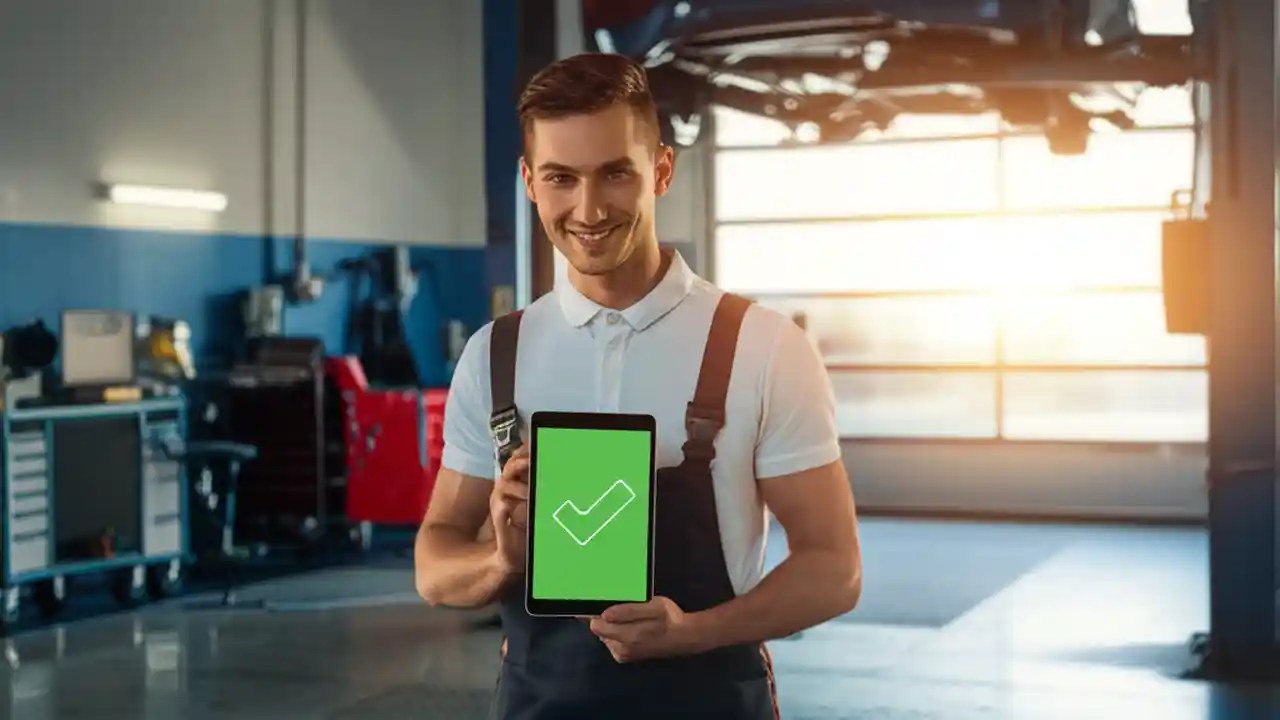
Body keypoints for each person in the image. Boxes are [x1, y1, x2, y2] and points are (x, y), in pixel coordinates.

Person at [414, 52, 862, 719]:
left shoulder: (761, 347)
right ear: (530, 181)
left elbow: (834, 568)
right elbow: (435, 562)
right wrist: (502, 562)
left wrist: (693, 633)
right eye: (561, 178)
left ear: (660, 169)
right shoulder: (494, 356)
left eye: (614, 174)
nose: (587, 209)